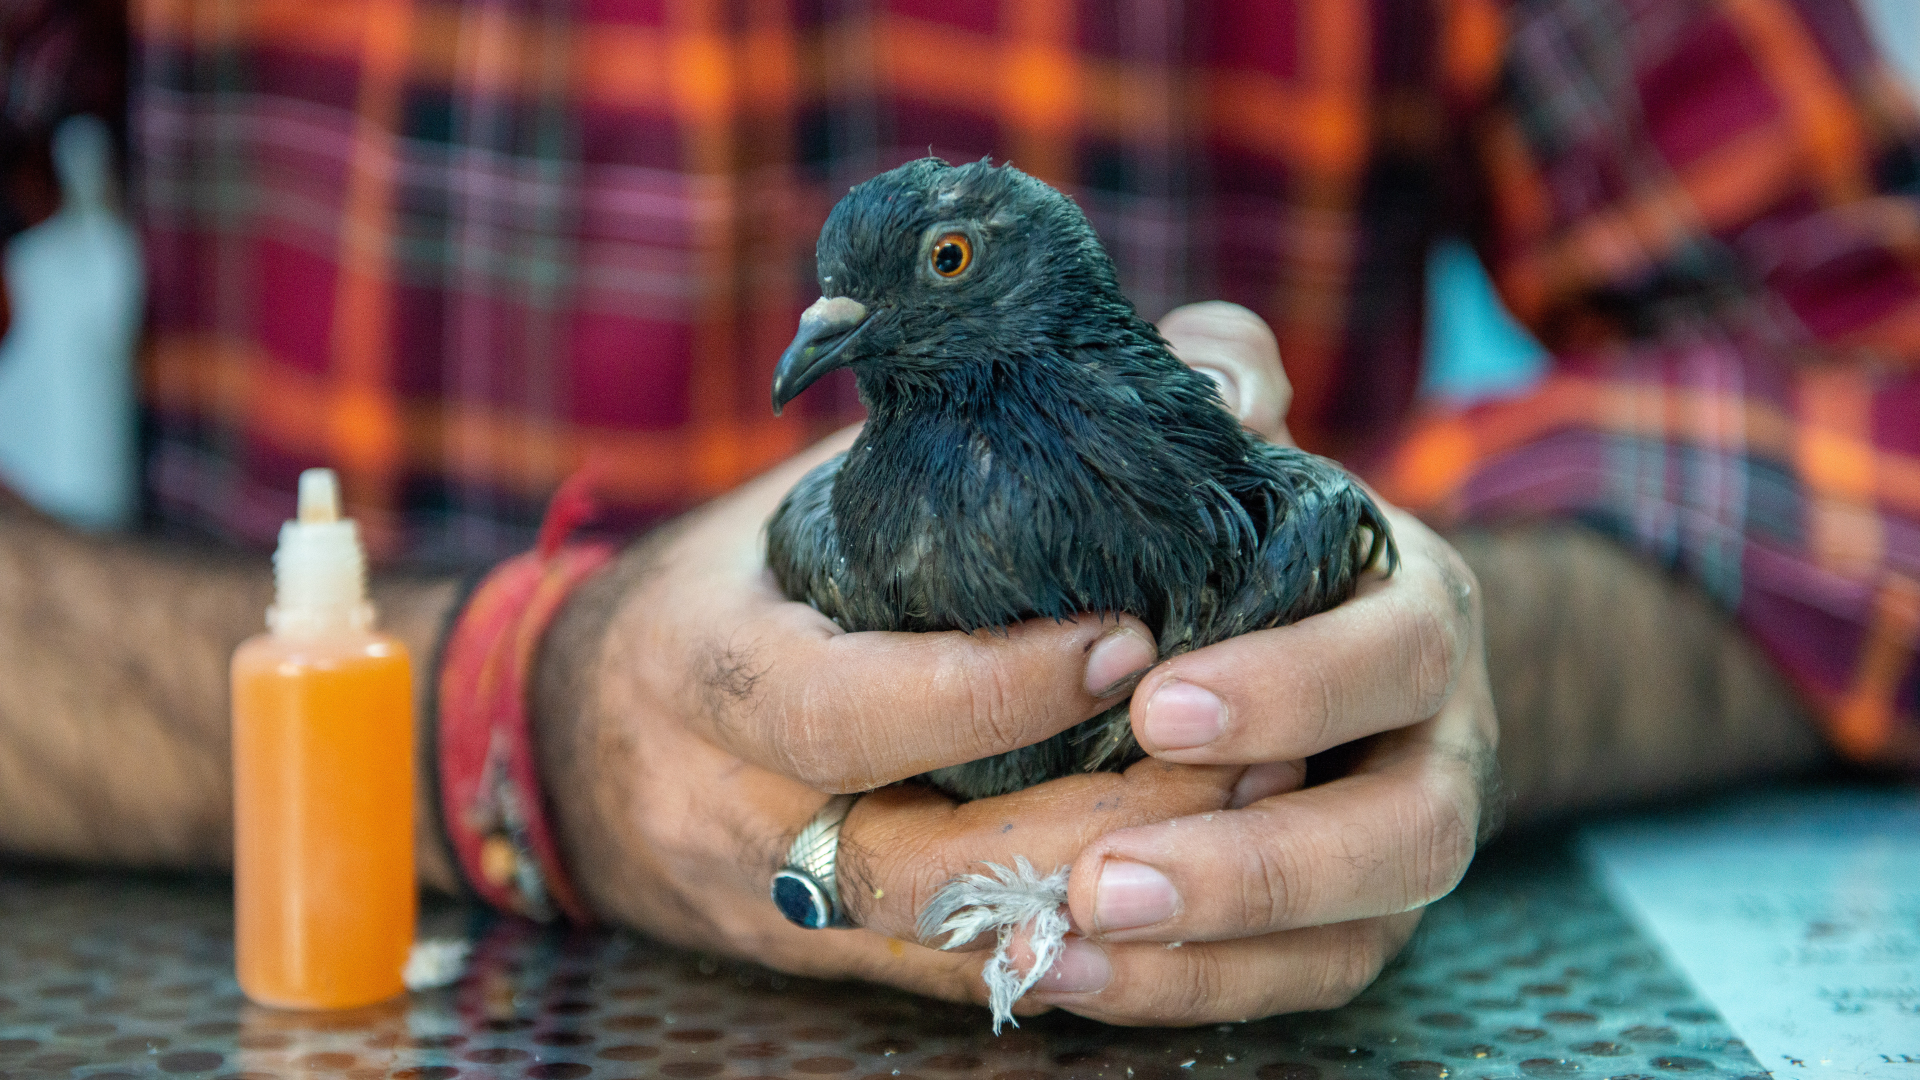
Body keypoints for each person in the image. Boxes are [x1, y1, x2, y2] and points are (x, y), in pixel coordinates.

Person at [0, 0, 1912, 1027]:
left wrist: (1403, 661)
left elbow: (1877, 399)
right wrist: (489, 708)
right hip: (374, 981)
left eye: (917, 275)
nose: (830, 334)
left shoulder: (1220, 479)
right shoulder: (849, 503)